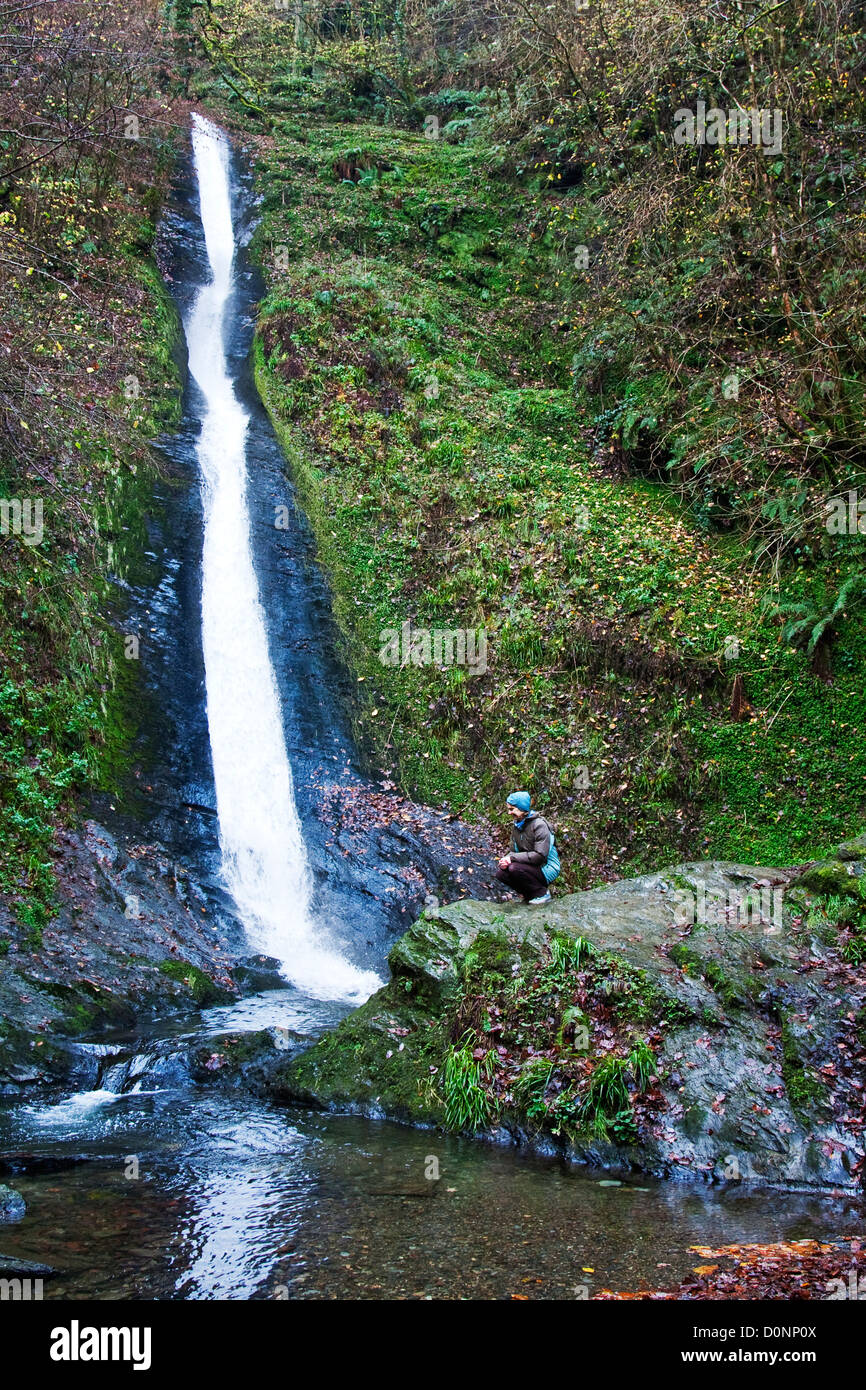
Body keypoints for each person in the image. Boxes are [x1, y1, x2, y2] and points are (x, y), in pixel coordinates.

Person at [495, 791, 559, 904]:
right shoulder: (517, 825)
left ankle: (542, 893)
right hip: (530, 865)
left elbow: (540, 856)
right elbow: (513, 851)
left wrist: (512, 859)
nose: (509, 813)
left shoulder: (539, 825)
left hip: (547, 867)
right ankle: (529, 895)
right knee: (501, 873)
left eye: (512, 809)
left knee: (514, 868)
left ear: (522, 809)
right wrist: (506, 859)